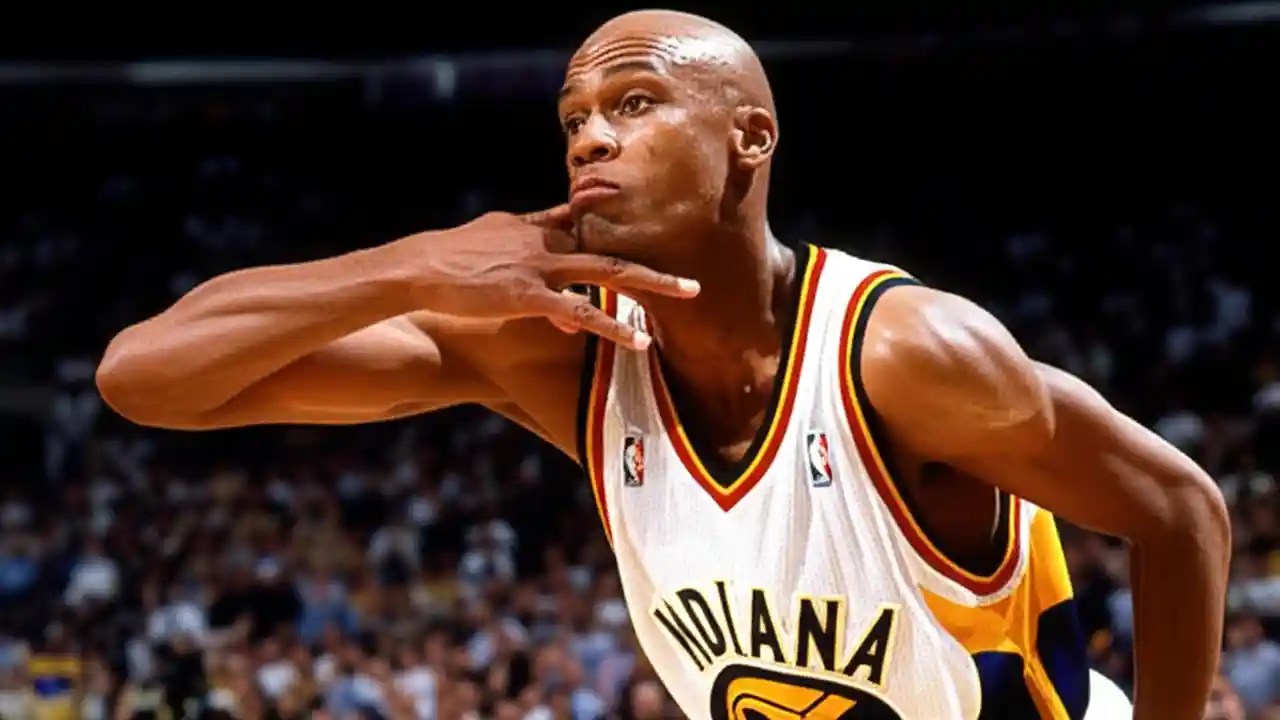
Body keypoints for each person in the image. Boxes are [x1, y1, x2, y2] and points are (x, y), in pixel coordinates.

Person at [96, 9, 1229, 720]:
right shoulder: (559, 359)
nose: (589, 135)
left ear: (748, 140)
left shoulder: (903, 353)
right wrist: (409, 267)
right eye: (574, 116)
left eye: (633, 104)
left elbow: (1180, 510)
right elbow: (146, 378)